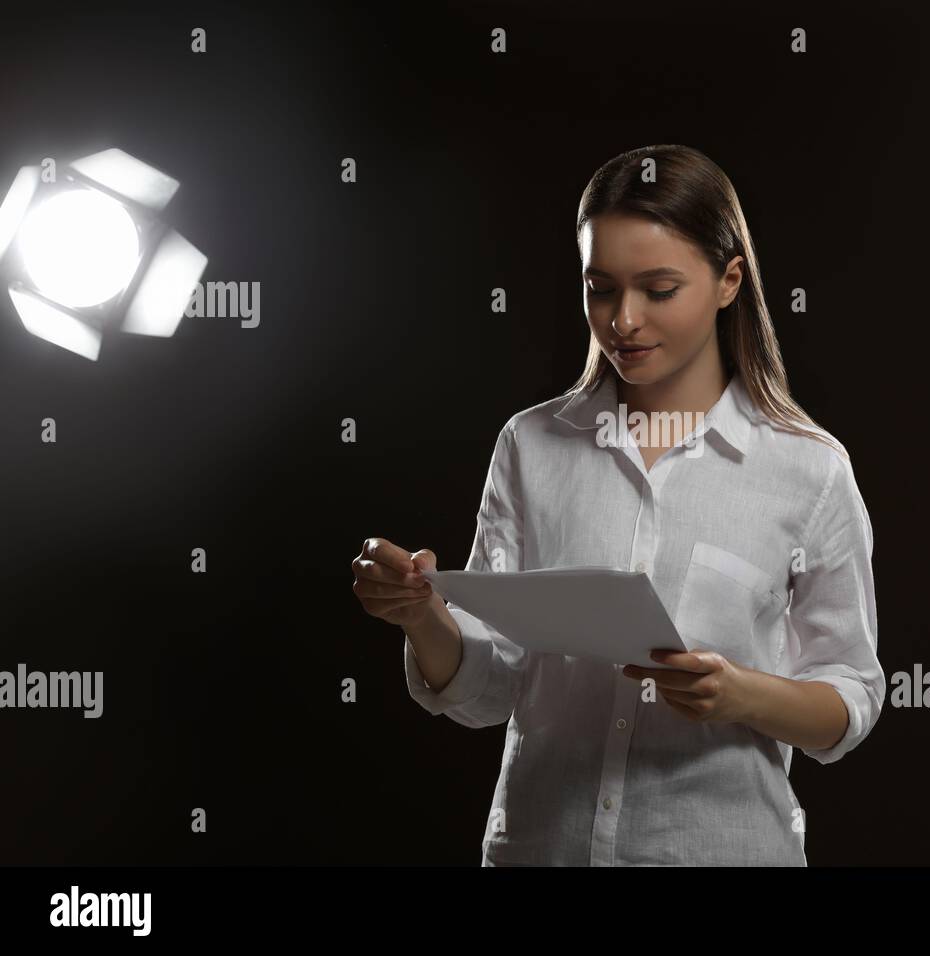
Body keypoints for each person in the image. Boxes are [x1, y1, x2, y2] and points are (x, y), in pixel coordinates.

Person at [351, 144, 885, 866]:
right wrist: (422, 615)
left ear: (729, 280)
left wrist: (739, 694)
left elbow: (847, 700)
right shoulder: (531, 445)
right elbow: (489, 690)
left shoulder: (808, 470)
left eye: (658, 289)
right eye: (600, 288)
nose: (623, 321)